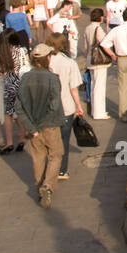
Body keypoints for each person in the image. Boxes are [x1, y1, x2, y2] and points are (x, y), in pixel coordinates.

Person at [17, 43, 64, 208]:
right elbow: (55, 105)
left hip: (32, 127)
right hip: (50, 125)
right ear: (48, 59)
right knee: (56, 155)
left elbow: (19, 107)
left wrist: (32, 128)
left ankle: (40, 188)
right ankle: (48, 186)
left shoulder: (24, 78)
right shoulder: (52, 79)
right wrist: (42, 125)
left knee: (38, 157)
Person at [46, 32, 84, 181]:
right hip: (66, 106)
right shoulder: (69, 63)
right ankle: (61, 170)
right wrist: (79, 106)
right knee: (64, 139)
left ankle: (50, 167)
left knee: (50, 139)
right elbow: (73, 88)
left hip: (48, 107)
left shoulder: (45, 61)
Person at [0, 30, 31, 153]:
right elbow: (27, 64)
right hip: (21, 83)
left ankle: (9, 143)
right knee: (20, 113)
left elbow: (3, 70)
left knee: (8, 114)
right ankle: (22, 139)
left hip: (9, 85)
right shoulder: (22, 50)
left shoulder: (3, 53)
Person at [83, 8, 112, 120]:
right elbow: (105, 43)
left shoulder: (87, 28)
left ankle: (95, 111)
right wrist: (113, 55)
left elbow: (86, 46)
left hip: (90, 58)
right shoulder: (98, 29)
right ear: (100, 17)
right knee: (99, 86)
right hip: (99, 60)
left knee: (93, 85)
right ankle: (99, 112)